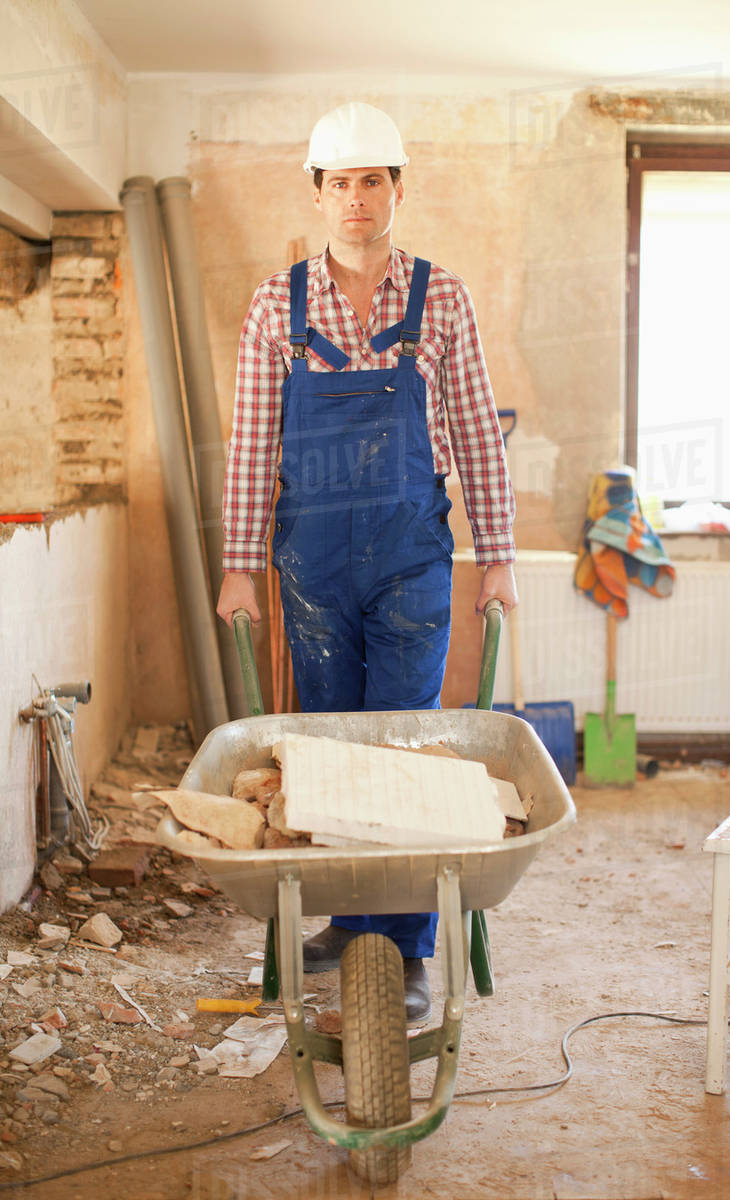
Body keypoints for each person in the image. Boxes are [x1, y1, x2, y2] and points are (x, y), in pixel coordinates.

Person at [217, 101, 517, 1022]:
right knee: (326, 738)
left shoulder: (443, 297)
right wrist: (239, 565)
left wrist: (497, 556)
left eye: (372, 180)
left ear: (397, 187)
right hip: (310, 557)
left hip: (410, 553)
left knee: (403, 736)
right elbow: (252, 444)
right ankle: (350, 918)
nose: (356, 198)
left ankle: (403, 942)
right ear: (318, 192)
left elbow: (472, 427)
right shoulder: (279, 302)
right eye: (340, 182)